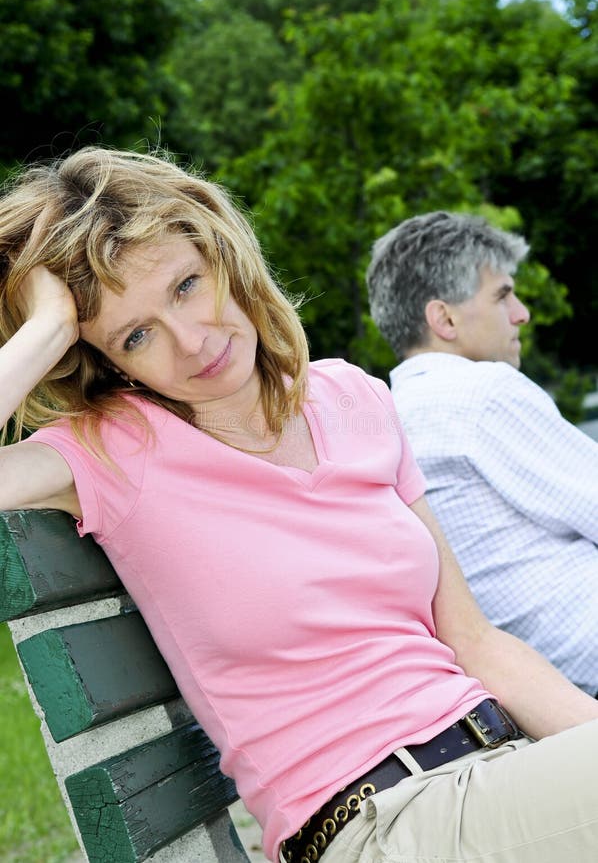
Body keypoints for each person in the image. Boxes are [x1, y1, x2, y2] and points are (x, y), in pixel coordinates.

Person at [0, 149, 597, 863]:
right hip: (379, 825)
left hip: (503, 774)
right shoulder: (114, 452)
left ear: (224, 255)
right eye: (137, 334)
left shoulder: (355, 399)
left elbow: (475, 643)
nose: (191, 342)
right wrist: (47, 328)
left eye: (187, 285)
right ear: (109, 359)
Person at [366, 211, 598, 698]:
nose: (521, 313)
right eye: (502, 295)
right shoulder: (480, 392)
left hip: (533, 678)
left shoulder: (391, 417)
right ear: (444, 319)